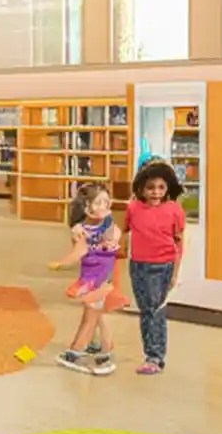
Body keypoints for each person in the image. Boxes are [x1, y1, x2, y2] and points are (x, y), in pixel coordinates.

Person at [48, 183, 126, 376]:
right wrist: (62, 262)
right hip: (91, 281)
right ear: (86, 207)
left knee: (90, 318)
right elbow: (79, 251)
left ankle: (75, 352)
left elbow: (111, 241)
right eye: (98, 203)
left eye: (106, 203)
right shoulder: (82, 230)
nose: (104, 207)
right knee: (96, 316)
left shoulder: (109, 228)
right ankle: (107, 352)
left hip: (102, 280)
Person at [122, 161, 185, 375]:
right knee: (145, 310)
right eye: (150, 188)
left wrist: (175, 273)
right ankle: (150, 353)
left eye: (161, 187)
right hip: (137, 265)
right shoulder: (132, 207)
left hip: (162, 266)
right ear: (141, 188)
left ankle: (155, 356)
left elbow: (179, 243)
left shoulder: (174, 210)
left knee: (156, 311)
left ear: (168, 188)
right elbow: (125, 232)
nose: (156, 192)